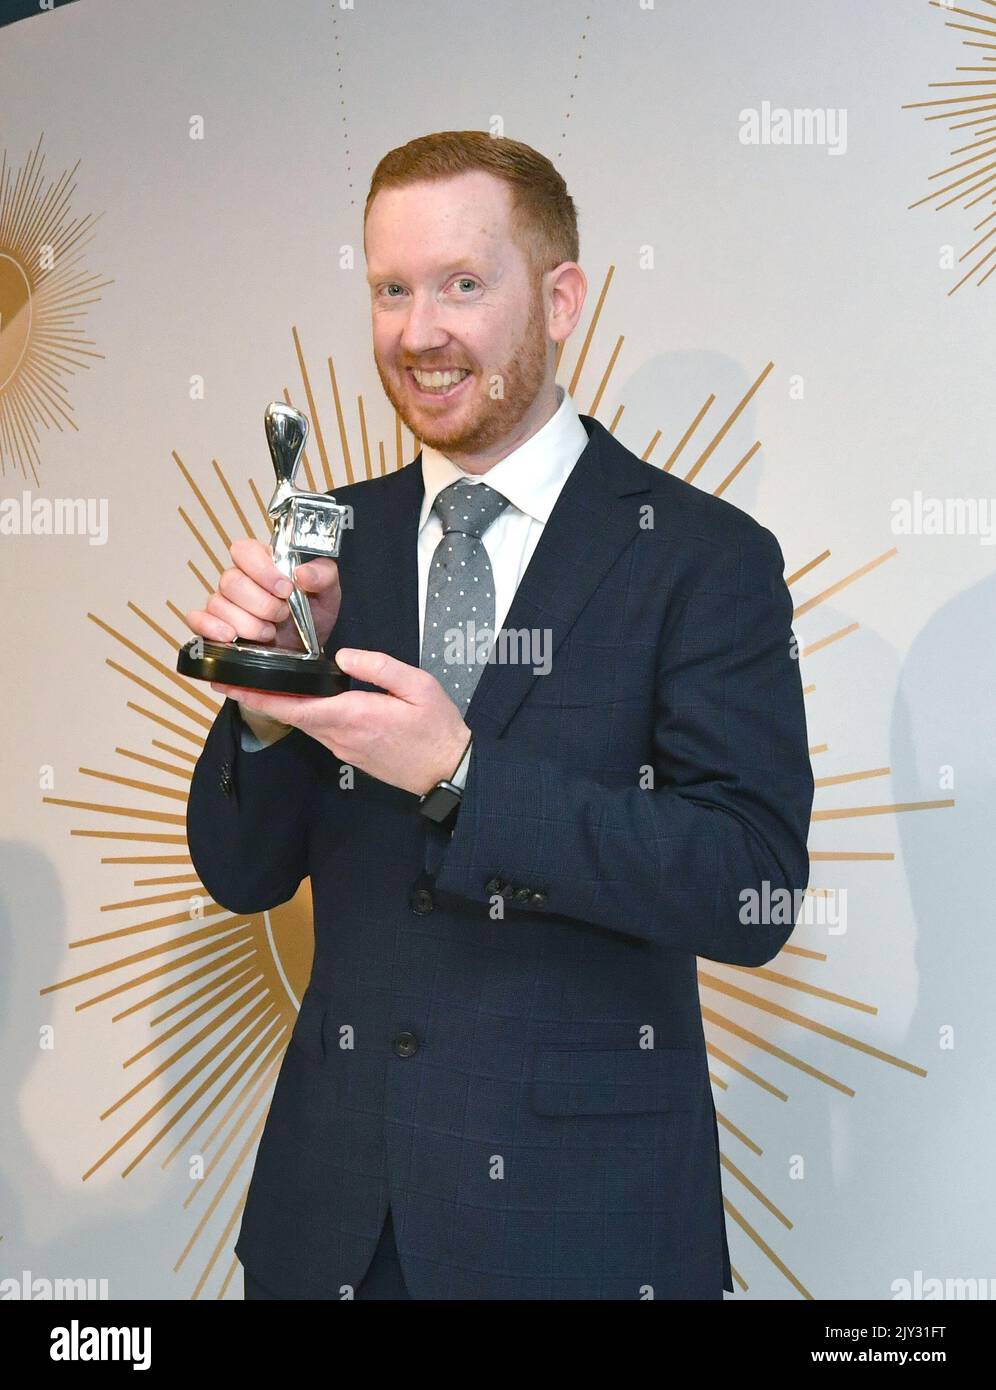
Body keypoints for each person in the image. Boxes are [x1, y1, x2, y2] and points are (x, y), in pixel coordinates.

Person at [183, 130, 814, 1300]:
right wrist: (264, 710)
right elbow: (241, 875)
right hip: (332, 1234)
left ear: (562, 298)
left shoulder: (703, 559)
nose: (420, 331)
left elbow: (749, 885)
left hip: (586, 1236)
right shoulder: (331, 545)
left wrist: (466, 774)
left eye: (464, 285)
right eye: (391, 289)